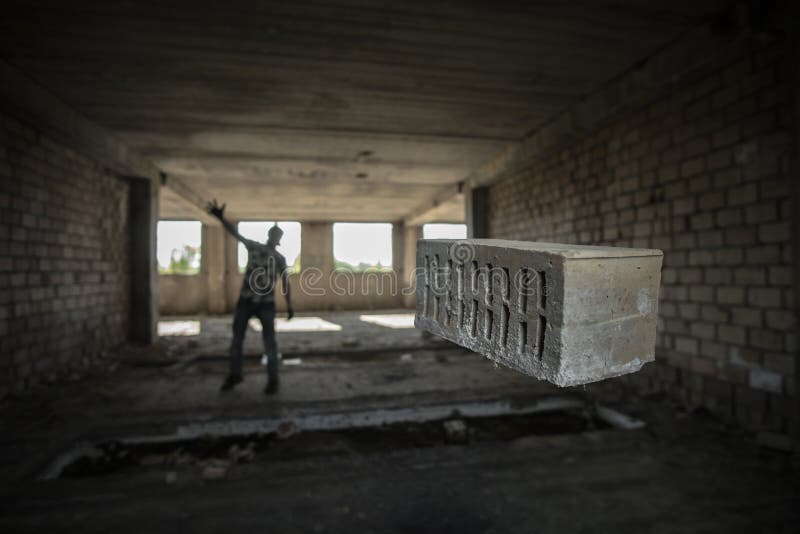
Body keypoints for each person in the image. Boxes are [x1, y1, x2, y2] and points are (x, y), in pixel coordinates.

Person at [206, 199, 294, 394]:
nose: (274, 235)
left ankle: (273, 381)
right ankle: (235, 375)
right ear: (270, 235)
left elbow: (286, 282)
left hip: (266, 305)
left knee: (270, 343)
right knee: (237, 340)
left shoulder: (280, 259)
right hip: (246, 301)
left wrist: (289, 306)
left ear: (278, 238)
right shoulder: (254, 247)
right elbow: (235, 233)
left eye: (277, 234)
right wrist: (221, 219)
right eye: (273, 233)